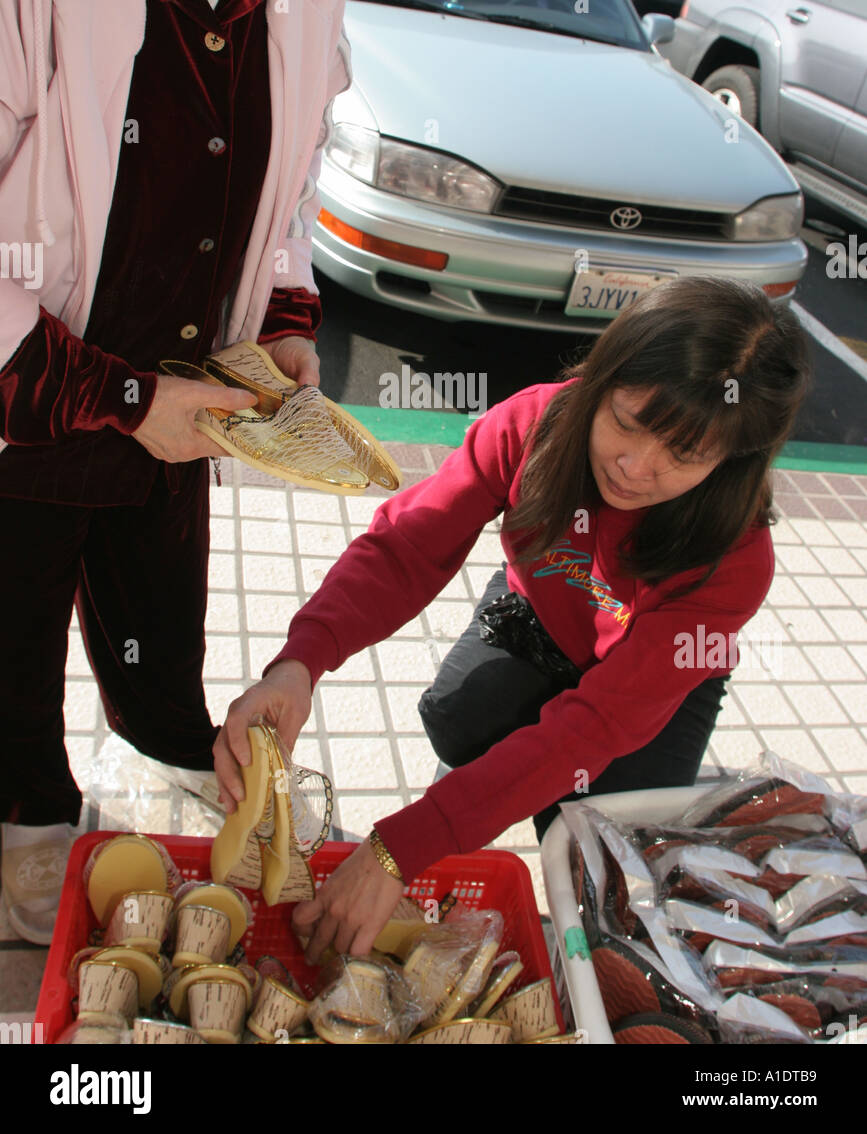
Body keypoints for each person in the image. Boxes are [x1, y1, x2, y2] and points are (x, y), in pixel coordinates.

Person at [0, 0, 527, 942]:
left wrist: (281, 314)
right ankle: (26, 846)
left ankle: (160, 781)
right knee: (11, 649)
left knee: (155, 632)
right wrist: (116, 392)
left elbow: (286, 163)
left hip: (172, 400)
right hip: (21, 406)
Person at [215, 277, 811, 960]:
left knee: (601, 847)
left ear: (733, 459)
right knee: (459, 719)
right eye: (626, 420)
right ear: (602, 376)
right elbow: (407, 546)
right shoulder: (530, 424)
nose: (632, 466)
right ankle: (463, 798)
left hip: (651, 683)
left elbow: (596, 725)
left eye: (682, 456)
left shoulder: (732, 560)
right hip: (538, 611)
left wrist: (397, 845)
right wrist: (300, 661)